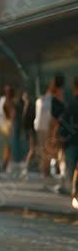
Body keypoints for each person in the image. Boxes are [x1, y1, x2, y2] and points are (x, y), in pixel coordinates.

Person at [34, 75, 65, 182]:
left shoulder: (44, 99)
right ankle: (45, 171)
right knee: (47, 150)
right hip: (46, 127)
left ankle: (45, 171)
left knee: (46, 150)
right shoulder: (48, 99)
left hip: (42, 127)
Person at [56, 78, 78, 208]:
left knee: (70, 168)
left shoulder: (71, 104)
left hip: (71, 143)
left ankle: (72, 195)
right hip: (72, 142)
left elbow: (63, 123)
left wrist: (62, 139)